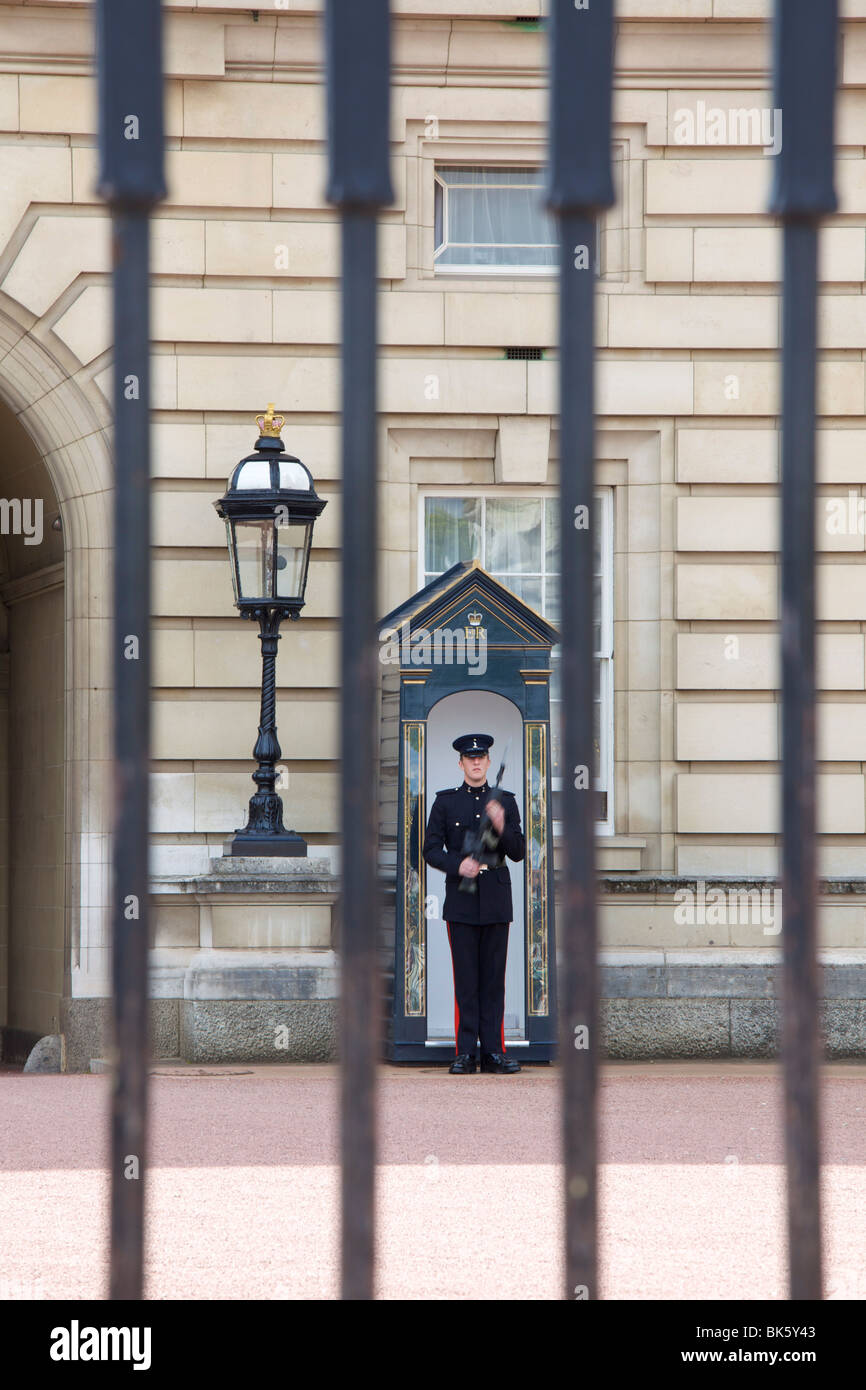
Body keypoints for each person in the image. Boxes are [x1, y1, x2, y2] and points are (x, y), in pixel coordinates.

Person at [422, 733, 525, 1074]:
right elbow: (430, 849)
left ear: (489, 762)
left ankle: (494, 1052)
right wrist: (457, 864)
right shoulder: (445, 803)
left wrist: (500, 825)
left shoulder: (505, 802)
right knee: (466, 979)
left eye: (481, 757)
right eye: (470, 758)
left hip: (495, 896)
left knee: (493, 979)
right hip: (462, 899)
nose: (476, 762)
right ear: (461, 763)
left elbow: (519, 851)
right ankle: (465, 1052)